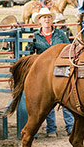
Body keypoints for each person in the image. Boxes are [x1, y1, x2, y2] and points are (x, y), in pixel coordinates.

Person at [28, 7, 74, 137]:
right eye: (44, 18)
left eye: (48, 17)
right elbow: (29, 52)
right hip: (44, 72)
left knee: (66, 97)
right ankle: (51, 129)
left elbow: (69, 48)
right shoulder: (35, 36)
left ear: (52, 20)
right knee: (47, 100)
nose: (47, 19)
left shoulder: (60, 34)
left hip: (61, 67)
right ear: (40, 21)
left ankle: (70, 127)